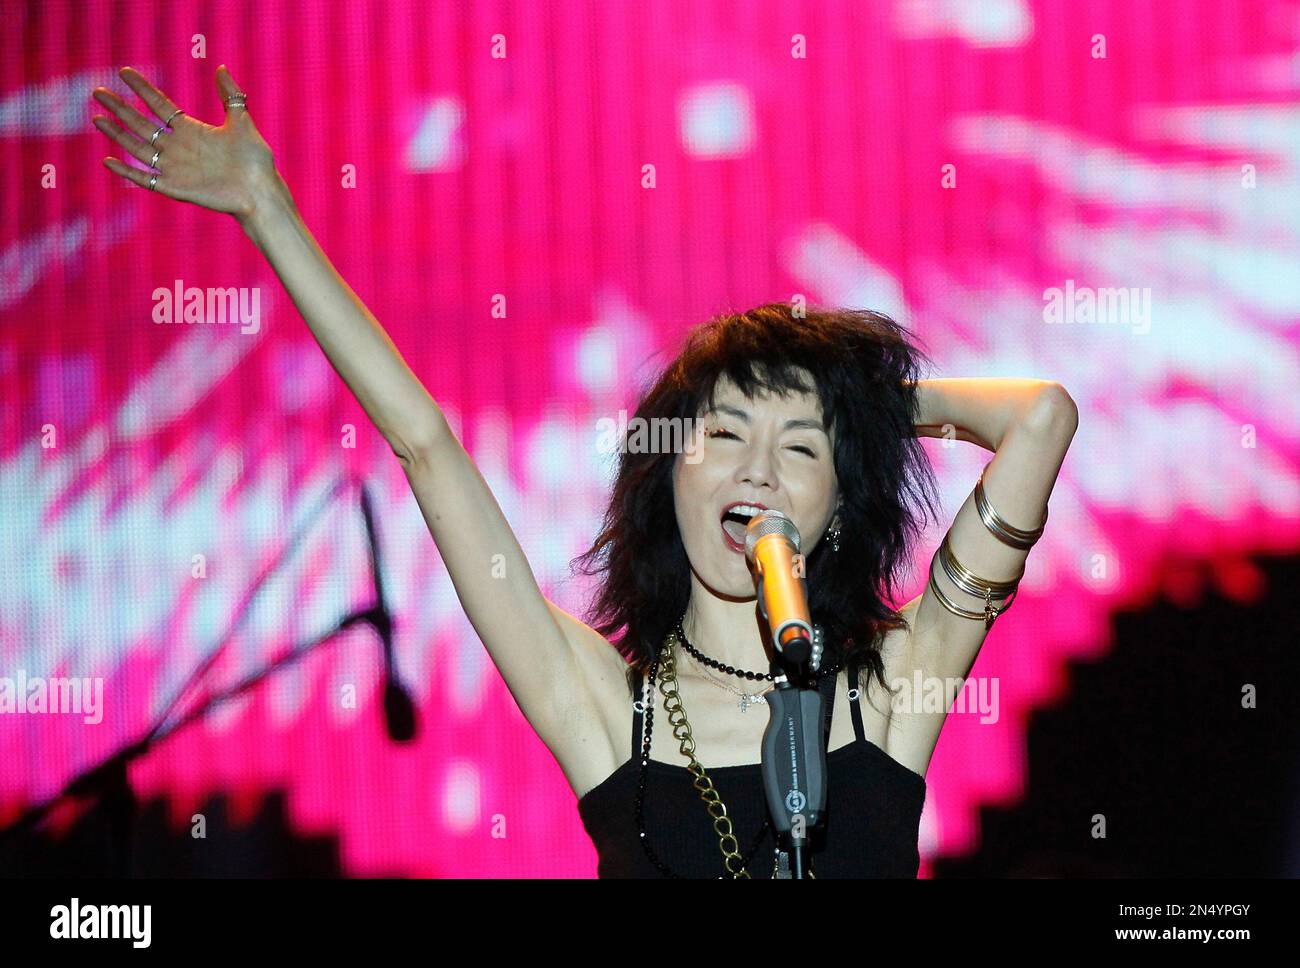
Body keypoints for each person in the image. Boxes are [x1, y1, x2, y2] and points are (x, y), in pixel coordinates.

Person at [90, 66, 1080, 878]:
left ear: (834, 504)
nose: (761, 471)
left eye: (800, 448)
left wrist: (863, 408)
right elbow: (426, 446)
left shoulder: (892, 684)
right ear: (672, 471)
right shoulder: (607, 706)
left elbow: (1039, 417)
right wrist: (267, 213)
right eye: (727, 434)